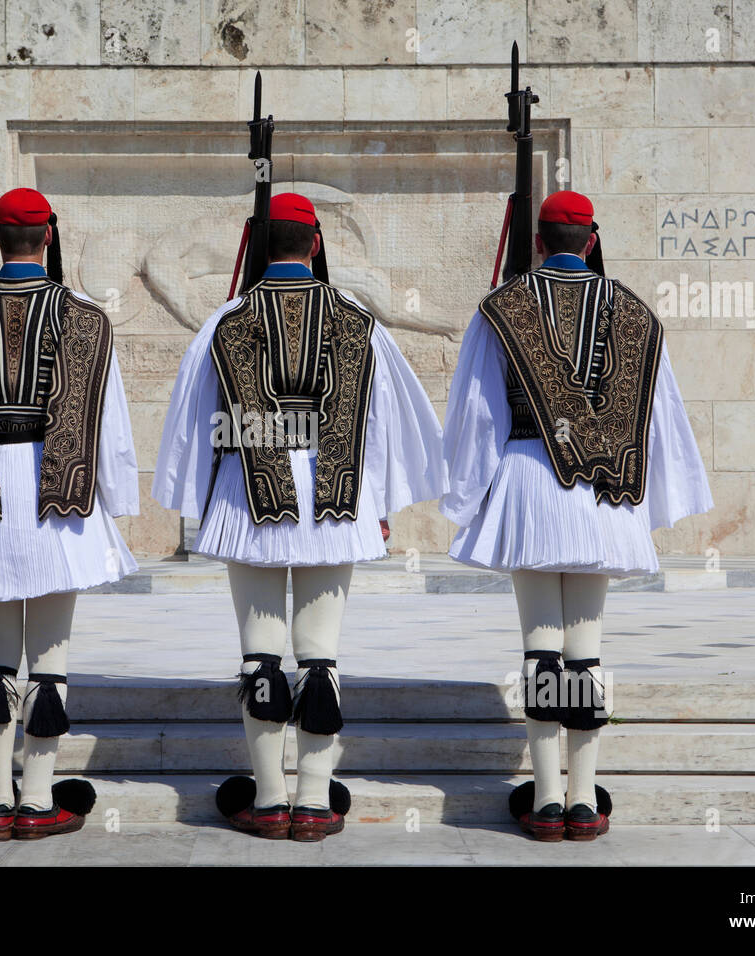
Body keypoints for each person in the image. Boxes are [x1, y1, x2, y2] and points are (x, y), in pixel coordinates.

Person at [153, 192, 445, 841]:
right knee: (321, 656)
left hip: (247, 498)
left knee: (261, 656)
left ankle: (268, 796)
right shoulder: (359, 321)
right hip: (336, 499)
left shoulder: (225, 321)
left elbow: (197, 421)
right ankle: (313, 802)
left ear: (261, 246)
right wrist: (379, 504)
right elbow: (388, 419)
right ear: (316, 245)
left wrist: (203, 494)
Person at [440, 190, 713, 842]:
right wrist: (650, 502)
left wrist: (464, 496)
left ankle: (545, 798)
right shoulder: (636, 315)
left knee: (541, 648)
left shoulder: (503, 309)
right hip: (604, 491)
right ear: (591, 239)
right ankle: (585, 802)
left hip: (530, 480)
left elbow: (479, 415)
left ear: (538, 242)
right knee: (585, 654)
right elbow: (660, 418)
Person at [0, 187, 140, 840]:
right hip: (58, 494)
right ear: (49, 236)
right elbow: (110, 422)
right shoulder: (88, 317)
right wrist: (119, 502)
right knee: (51, 658)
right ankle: (38, 801)